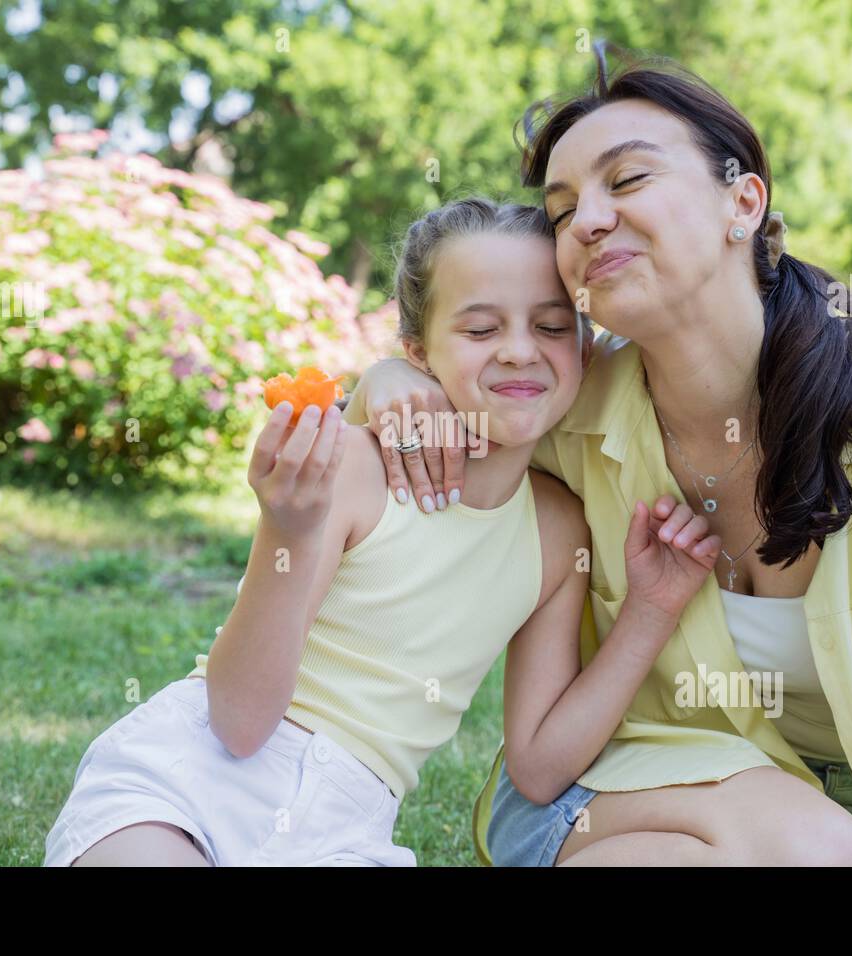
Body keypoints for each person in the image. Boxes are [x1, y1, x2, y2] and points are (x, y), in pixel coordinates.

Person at [342, 56, 852, 866]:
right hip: (608, 799)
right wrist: (388, 379)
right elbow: (433, 405)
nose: (586, 221)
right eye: (560, 212)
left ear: (744, 201)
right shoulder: (569, 414)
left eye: (625, 180)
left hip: (835, 829)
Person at [43, 196, 718, 866]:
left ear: (587, 345)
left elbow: (539, 769)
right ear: (418, 351)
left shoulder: (556, 530)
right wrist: (288, 531)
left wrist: (650, 612)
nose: (518, 351)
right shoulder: (353, 471)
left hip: (347, 829)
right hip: (185, 787)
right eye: (480, 331)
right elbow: (239, 722)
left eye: (550, 326)